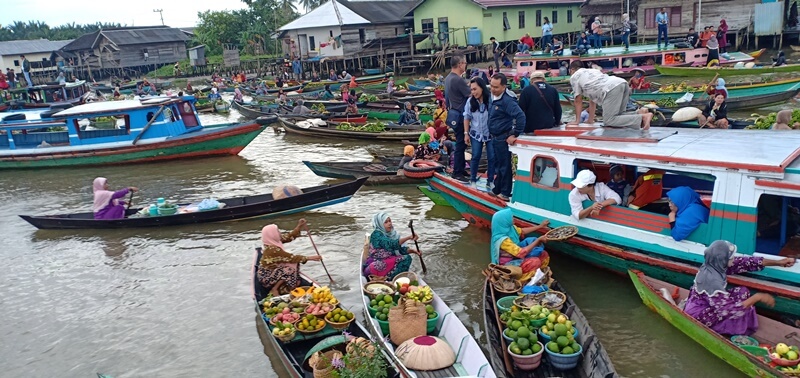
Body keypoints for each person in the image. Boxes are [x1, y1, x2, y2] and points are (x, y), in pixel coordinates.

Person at [683, 240, 795, 335]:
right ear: (723, 259)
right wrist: (757, 297)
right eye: (731, 258)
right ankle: (726, 329)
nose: (734, 259)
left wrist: (778, 262)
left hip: (709, 302)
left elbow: (746, 263)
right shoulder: (713, 281)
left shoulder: (714, 264)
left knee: (742, 292)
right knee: (742, 306)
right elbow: (728, 310)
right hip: (698, 314)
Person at [568, 60, 653, 129]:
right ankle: (639, 113)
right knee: (618, 116)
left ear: (572, 70)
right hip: (621, 83)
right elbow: (592, 101)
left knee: (609, 121)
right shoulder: (592, 71)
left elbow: (577, 100)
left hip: (610, 89)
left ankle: (643, 117)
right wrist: (590, 120)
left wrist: (577, 121)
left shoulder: (574, 76)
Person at [257, 219, 323, 296]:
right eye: (277, 231)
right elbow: (291, 258)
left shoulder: (272, 241)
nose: (279, 233)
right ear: (272, 234)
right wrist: (310, 258)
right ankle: (275, 289)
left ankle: (288, 283)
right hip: (266, 277)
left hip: (272, 271)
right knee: (290, 268)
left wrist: (299, 226)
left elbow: (289, 237)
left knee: (292, 264)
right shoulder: (272, 249)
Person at [488, 73, 526, 201]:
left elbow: (520, 117)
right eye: (492, 86)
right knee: (498, 164)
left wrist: (515, 133)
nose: (493, 89)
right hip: (495, 136)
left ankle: (505, 192)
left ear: (504, 87)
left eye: (496, 87)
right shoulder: (494, 97)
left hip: (502, 136)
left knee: (504, 166)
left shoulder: (507, 100)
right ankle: (497, 188)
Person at [362, 213, 420, 280]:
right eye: (386, 222)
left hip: (386, 261)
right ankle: (390, 279)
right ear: (379, 224)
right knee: (406, 259)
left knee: (407, 258)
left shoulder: (392, 234)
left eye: (390, 221)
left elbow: (399, 250)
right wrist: (409, 237)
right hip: (374, 266)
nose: (389, 223)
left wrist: (413, 251)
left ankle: (393, 278)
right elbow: (391, 244)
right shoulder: (376, 234)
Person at [445, 55, 472, 183]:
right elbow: (471, 94)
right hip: (461, 116)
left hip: (453, 114)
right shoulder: (457, 80)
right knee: (461, 145)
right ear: (460, 64)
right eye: (465, 63)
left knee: (460, 144)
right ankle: (457, 172)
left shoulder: (448, 78)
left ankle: (459, 170)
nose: (465, 65)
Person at [464, 76, 495, 187]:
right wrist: (466, 133)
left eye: (475, 89)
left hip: (490, 133)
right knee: (476, 155)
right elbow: (466, 117)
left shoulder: (491, 100)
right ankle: (473, 179)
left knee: (492, 157)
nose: (473, 92)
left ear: (482, 88)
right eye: (471, 90)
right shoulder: (470, 102)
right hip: (475, 133)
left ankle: (490, 180)